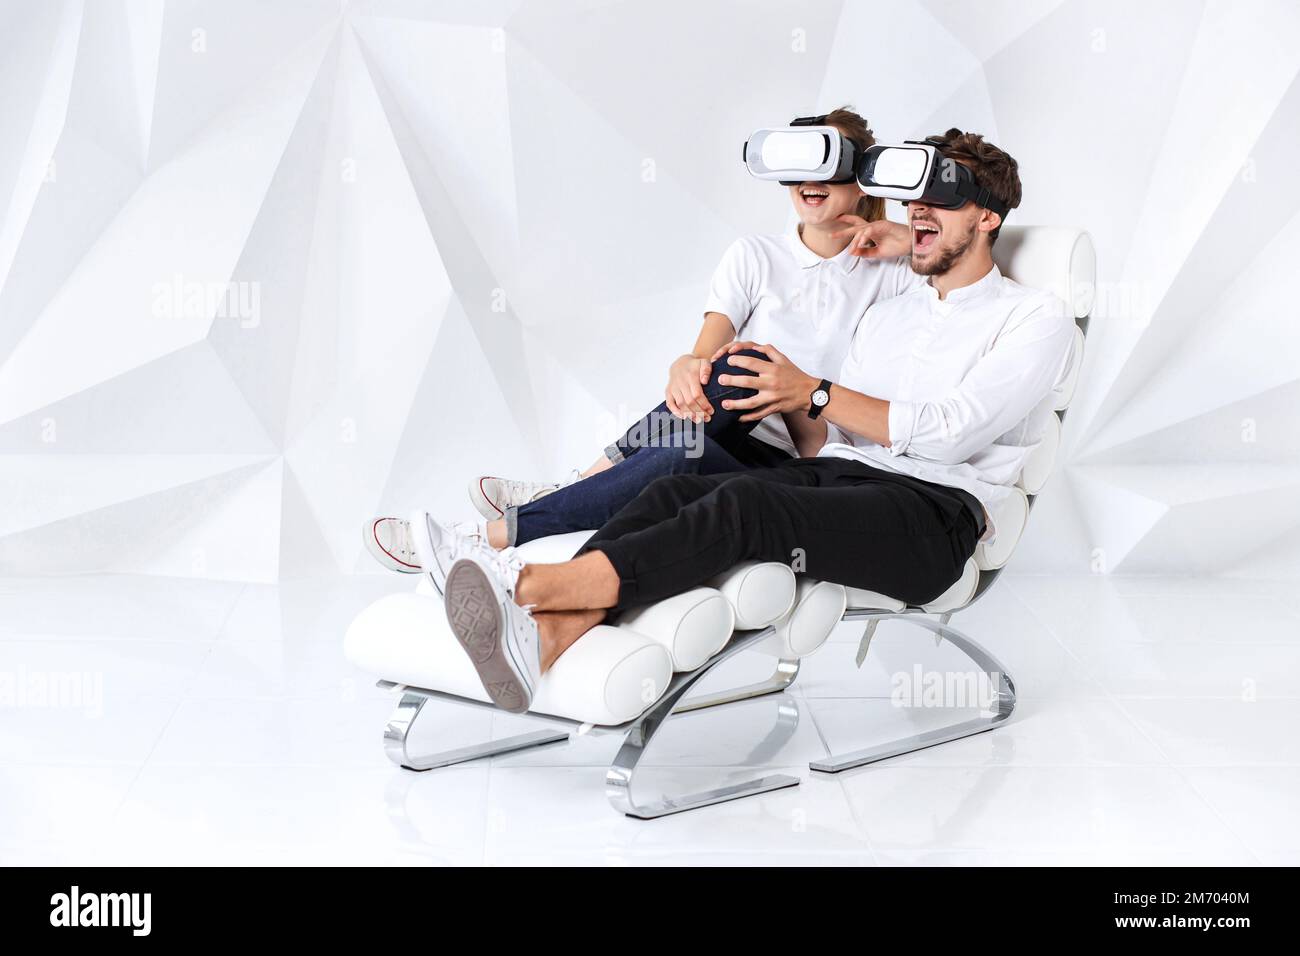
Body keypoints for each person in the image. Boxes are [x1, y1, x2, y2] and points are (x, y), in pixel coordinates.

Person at [431, 128, 1078, 714]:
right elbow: (829, 443)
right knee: (677, 489)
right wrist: (783, 393)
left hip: (936, 516)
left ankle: (522, 586)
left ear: (989, 216)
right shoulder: (892, 312)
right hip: (843, 475)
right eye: (914, 202)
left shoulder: (1033, 318)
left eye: (939, 201)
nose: (918, 213)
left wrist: (813, 389)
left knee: (744, 508)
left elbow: (951, 430)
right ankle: (544, 638)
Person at [362, 107, 920, 575]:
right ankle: (502, 531)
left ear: (862, 177)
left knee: (744, 364)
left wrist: (904, 239)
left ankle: (529, 509)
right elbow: (705, 351)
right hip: (723, 427)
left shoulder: (896, 269)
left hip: (809, 448)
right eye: (796, 167)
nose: (808, 182)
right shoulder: (756, 256)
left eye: (827, 165)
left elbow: (969, 277)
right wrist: (684, 364)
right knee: (697, 423)